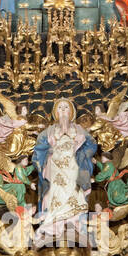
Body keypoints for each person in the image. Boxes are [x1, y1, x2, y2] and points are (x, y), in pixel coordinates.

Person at [32, 98, 97, 240]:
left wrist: (82, 151)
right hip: (54, 168)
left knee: (75, 192)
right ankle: (54, 223)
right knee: (54, 193)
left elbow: (92, 145)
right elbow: (38, 150)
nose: (62, 110)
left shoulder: (79, 130)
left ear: (71, 112)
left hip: (74, 166)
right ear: (55, 113)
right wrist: (46, 152)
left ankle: (75, 223)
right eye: (59, 108)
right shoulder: (49, 131)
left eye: (65, 108)